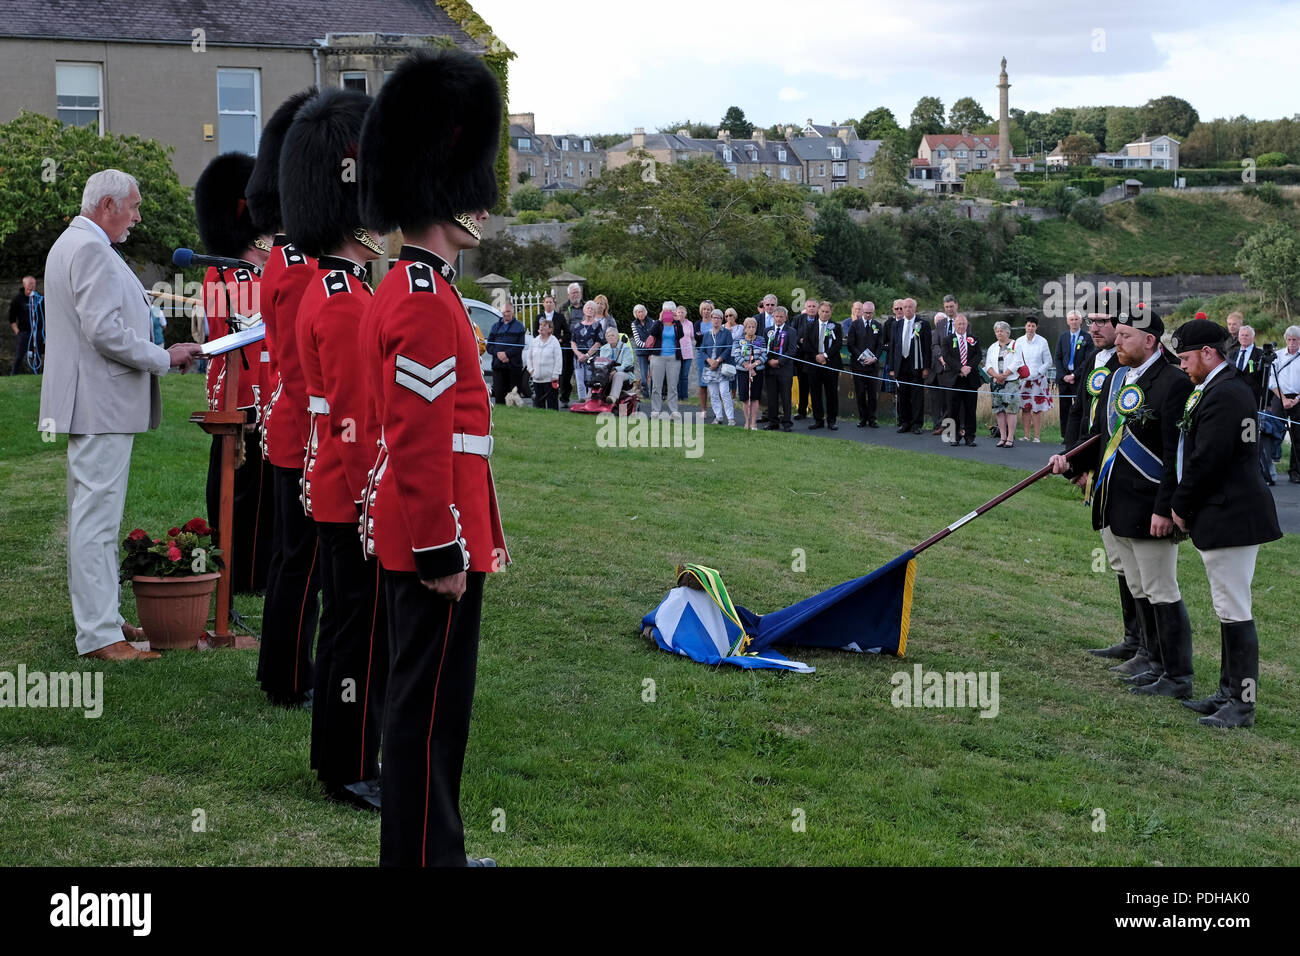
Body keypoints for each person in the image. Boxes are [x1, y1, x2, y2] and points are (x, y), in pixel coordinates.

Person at [358, 48, 509, 867]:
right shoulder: (421, 300)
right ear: (446, 197)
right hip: (429, 539)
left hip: (439, 527)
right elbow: (419, 443)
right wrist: (443, 548)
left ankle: (433, 851)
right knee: (425, 712)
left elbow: (452, 438)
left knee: (434, 708)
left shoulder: (425, 290)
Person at [39, 169, 202, 660]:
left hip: (92, 402)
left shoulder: (75, 242)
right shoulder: (89, 247)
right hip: (100, 403)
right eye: (132, 206)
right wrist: (164, 356)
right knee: (95, 522)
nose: (136, 215)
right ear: (107, 205)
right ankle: (98, 635)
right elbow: (104, 332)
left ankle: (104, 619)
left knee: (93, 519)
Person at [283, 86, 388, 811]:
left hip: (329, 482)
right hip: (351, 492)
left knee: (346, 625)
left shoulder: (326, 286)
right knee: (358, 634)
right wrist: (379, 505)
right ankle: (350, 764)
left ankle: (338, 755)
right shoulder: (347, 299)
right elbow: (357, 421)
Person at [1051, 309, 1195, 699]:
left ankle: (1177, 675)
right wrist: (1071, 463)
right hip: (1114, 499)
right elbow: (1101, 435)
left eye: (1126, 336)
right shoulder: (1117, 377)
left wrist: (1165, 509)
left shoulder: (1174, 382)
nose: (1116, 341)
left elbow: (1174, 453)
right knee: (1138, 585)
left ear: (1150, 341)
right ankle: (1150, 657)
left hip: (1149, 504)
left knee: (1161, 589)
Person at [247, 87, 323, 709]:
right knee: (300, 560)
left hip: (290, 424)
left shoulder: (286, 257)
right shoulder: (300, 267)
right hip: (304, 427)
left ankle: (282, 664)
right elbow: (302, 368)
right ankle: (289, 674)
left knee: (291, 558)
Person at [1169, 319, 1282, 728]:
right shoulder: (1218, 387)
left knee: (1234, 608)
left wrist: (1180, 505)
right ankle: (1226, 691)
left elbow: (1207, 460)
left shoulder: (1227, 392)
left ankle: (1242, 704)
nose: (1182, 366)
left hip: (1230, 511)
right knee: (1226, 608)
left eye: (1185, 358)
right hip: (1224, 510)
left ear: (1208, 353)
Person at [194, 151, 275, 597]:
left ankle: (255, 566)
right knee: (240, 487)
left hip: (260, 395)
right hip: (242, 394)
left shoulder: (251, 269)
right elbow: (244, 341)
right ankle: (241, 570)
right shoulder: (227, 275)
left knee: (261, 490)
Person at [1066, 293, 1145, 664]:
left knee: (1131, 558)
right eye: (1091, 320)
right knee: (1116, 556)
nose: (1094, 327)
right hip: (1093, 465)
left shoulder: (1128, 362)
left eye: (1102, 321)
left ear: (1120, 326)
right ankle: (1132, 637)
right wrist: (1073, 463)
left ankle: (1145, 644)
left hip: (1118, 467)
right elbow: (1078, 412)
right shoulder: (1090, 358)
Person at [888, 297, 931, 434]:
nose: (907, 309)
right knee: (902, 395)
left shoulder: (923, 324)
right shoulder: (896, 325)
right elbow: (893, 347)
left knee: (917, 395)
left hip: (916, 365)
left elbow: (927, 348)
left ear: (915, 308)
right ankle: (904, 422)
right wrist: (892, 368)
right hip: (901, 365)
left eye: (910, 307)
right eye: (905, 307)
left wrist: (926, 367)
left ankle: (916, 424)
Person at [939, 313, 981, 446]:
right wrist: (960, 368)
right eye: (959, 324)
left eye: (963, 324)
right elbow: (946, 356)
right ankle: (954, 436)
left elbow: (978, 355)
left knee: (970, 410)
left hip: (970, 380)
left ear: (967, 325)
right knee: (952, 410)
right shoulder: (947, 340)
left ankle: (970, 437)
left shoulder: (973, 339)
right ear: (955, 325)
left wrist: (968, 367)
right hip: (954, 380)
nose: (961, 326)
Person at [1054, 309, 1094, 447]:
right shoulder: (1063, 337)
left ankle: (1079, 436)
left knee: (1079, 408)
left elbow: (1088, 359)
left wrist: (1074, 375)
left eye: (1076, 319)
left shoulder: (1087, 338)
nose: (1074, 322)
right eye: (1071, 319)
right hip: (1064, 380)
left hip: (1079, 380)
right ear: (1067, 321)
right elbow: (1058, 357)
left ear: (1081, 321)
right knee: (1064, 409)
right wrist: (1063, 376)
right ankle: (1065, 436)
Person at [1266, 326, 1300, 483]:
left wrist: (1297, 399)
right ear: (1285, 340)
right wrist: (1284, 398)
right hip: (1279, 396)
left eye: (1295, 340)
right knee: (1274, 432)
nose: (1292, 343)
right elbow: (1271, 380)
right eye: (1289, 339)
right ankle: (1269, 468)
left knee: (1298, 437)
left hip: (1298, 399)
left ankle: (1295, 471)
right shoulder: (1278, 356)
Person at [846, 300, 883, 427]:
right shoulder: (855, 325)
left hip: (872, 366)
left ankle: (872, 418)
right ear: (862, 311)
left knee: (872, 394)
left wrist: (875, 358)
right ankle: (862, 418)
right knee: (860, 393)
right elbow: (851, 344)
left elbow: (880, 345)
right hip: (858, 365)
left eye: (871, 313)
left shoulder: (878, 325)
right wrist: (861, 357)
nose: (868, 315)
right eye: (866, 313)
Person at [984, 321, 1021, 447]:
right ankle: (1002, 436)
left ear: (1007, 332)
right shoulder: (992, 347)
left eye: (1001, 331)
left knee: (1010, 410)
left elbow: (1017, 362)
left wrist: (1004, 375)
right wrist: (996, 376)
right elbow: (987, 364)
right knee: (999, 410)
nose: (999, 333)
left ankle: (1010, 437)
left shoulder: (1015, 344)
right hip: (996, 382)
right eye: (997, 331)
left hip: (1011, 382)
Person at [1016, 316, 1053, 442]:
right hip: (1024, 380)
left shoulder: (1043, 341)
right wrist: (1023, 373)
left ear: (1036, 327)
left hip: (1038, 379)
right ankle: (1026, 436)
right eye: (1028, 325)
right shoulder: (1019, 341)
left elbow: (1048, 362)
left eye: (1033, 326)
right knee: (1025, 408)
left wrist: (1037, 373)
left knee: (1037, 409)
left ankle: (1036, 437)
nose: (1030, 328)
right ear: (1025, 326)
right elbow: (1016, 359)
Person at [807, 299, 841, 430]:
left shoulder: (836, 327)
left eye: (827, 312)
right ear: (818, 312)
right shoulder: (810, 326)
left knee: (831, 394)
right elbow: (807, 345)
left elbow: (837, 345)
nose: (825, 314)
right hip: (814, 365)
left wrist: (825, 356)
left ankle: (832, 421)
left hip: (830, 365)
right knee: (815, 394)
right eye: (822, 311)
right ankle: (818, 420)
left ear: (831, 312)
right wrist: (816, 356)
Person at [645, 307, 683, 420]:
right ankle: (655, 411)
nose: (669, 314)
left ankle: (674, 411)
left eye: (671, 312)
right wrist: (660, 319)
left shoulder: (676, 325)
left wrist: (676, 320)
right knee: (656, 386)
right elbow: (652, 332)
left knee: (672, 386)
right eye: (667, 312)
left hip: (674, 358)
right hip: (658, 357)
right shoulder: (659, 324)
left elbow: (681, 335)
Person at [764, 306, 797, 431]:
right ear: (773, 317)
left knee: (785, 397)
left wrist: (779, 361)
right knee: (772, 397)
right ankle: (773, 422)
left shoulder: (791, 331)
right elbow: (763, 349)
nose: (778, 319)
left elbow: (792, 350)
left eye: (781, 317)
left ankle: (787, 422)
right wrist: (769, 361)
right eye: (776, 316)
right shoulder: (767, 331)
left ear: (786, 318)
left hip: (785, 370)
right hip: (770, 369)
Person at [700, 308, 735, 425]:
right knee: (714, 393)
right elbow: (702, 350)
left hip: (722, 366)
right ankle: (718, 417)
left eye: (718, 318)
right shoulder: (707, 334)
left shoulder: (726, 333)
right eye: (714, 317)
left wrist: (718, 360)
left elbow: (729, 348)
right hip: (710, 367)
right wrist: (710, 361)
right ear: (711, 319)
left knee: (724, 392)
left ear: (721, 320)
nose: (716, 320)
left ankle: (730, 418)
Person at [930, 296, 959, 433]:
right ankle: (944, 426)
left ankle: (958, 428)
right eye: (946, 307)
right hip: (942, 368)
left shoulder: (963, 322)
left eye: (951, 306)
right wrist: (941, 357)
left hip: (956, 369)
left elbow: (967, 343)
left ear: (956, 306)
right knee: (944, 399)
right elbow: (935, 344)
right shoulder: (940, 324)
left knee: (956, 399)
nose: (949, 309)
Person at [488, 300, 526, 405]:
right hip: (498, 367)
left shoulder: (519, 326)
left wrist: (506, 354)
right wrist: (498, 354)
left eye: (508, 311)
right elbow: (489, 346)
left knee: (513, 397)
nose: (506, 313)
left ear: (513, 311)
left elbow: (520, 346)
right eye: (504, 311)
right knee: (500, 397)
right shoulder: (495, 327)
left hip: (513, 367)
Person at [733, 316, 766, 430]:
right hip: (743, 372)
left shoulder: (761, 340)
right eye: (748, 327)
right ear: (745, 328)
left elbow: (764, 355)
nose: (751, 329)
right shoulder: (739, 340)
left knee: (755, 397)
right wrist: (748, 367)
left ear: (756, 328)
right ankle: (746, 421)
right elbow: (736, 356)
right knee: (745, 397)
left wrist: (754, 365)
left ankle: (754, 422)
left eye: (753, 327)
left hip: (758, 371)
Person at [542, 292, 573, 407]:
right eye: (547, 302)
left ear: (554, 304)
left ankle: (562, 397)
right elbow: (536, 332)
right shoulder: (539, 317)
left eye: (551, 302)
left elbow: (567, 333)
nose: (549, 304)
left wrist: (560, 340)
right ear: (543, 304)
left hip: (557, 350)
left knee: (560, 374)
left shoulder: (560, 317)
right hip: (543, 350)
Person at [1226, 325, 1268, 408]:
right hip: (1233, 395)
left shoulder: (1261, 355)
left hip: (1253, 397)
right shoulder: (1232, 354)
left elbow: (1265, 378)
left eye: (1247, 335)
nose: (1244, 337)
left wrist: (1266, 400)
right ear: (1238, 337)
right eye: (1242, 335)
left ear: (1253, 338)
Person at [569, 300, 602, 403]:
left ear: (595, 312)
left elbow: (598, 343)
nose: (589, 310)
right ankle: (581, 402)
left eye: (592, 308)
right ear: (584, 310)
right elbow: (573, 342)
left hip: (591, 358)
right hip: (578, 358)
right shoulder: (577, 326)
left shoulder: (597, 326)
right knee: (580, 382)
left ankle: (590, 402)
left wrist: (587, 355)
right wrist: (579, 354)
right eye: (588, 308)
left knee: (589, 381)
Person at [9, 276, 42, 375]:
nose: (32, 288)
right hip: (24, 333)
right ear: (24, 285)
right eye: (29, 286)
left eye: (33, 285)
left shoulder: (39, 298)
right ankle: (13, 375)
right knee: (19, 355)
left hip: (37, 332)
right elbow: (11, 318)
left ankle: (36, 374)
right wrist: (17, 332)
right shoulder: (17, 299)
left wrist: (43, 330)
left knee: (37, 355)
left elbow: (45, 315)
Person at [526, 317, 562, 409]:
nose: (541, 327)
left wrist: (555, 375)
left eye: (544, 326)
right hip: (537, 379)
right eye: (540, 325)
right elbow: (529, 358)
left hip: (550, 379)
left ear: (550, 329)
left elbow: (558, 359)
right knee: (539, 405)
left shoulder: (554, 341)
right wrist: (531, 370)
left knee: (552, 405)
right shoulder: (534, 341)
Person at [793, 297, 819, 420]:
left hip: (815, 358)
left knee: (815, 386)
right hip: (801, 357)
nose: (812, 309)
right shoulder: (798, 319)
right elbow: (792, 334)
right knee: (802, 385)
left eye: (814, 306)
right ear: (806, 308)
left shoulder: (821, 320)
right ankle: (801, 411)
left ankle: (817, 413)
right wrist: (799, 340)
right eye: (809, 306)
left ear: (817, 308)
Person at [598, 325, 636, 406]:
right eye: (608, 336)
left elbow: (627, 364)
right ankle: (590, 398)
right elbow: (602, 363)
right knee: (597, 375)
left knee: (618, 375)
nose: (611, 337)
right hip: (608, 373)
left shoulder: (625, 347)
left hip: (625, 373)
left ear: (618, 336)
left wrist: (615, 370)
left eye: (613, 335)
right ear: (606, 338)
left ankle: (613, 397)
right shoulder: (603, 348)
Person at [695, 300, 714, 417]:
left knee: (716, 383)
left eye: (708, 309)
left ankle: (717, 410)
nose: (706, 311)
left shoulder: (715, 322)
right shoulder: (697, 323)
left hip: (714, 355)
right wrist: (708, 335)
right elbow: (697, 339)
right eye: (704, 309)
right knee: (702, 383)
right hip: (701, 354)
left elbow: (716, 337)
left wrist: (703, 335)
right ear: (701, 311)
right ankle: (703, 410)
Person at [629, 304, 652, 397]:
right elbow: (638, 341)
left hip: (653, 352)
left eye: (642, 311)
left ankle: (655, 394)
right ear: (636, 314)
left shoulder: (652, 322)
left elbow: (655, 336)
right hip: (642, 353)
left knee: (654, 375)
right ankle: (646, 395)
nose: (640, 313)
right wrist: (649, 345)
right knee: (643, 376)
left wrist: (651, 348)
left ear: (645, 312)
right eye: (638, 312)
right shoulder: (634, 324)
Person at [676, 304, 695, 404]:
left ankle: (685, 396)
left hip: (688, 352)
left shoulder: (690, 324)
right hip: (677, 352)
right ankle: (678, 396)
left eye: (682, 312)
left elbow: (691, 336)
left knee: (684, 375)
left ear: (685, 314)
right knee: (678, 375)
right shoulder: (674, 324)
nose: (680, 314)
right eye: (678, 312)